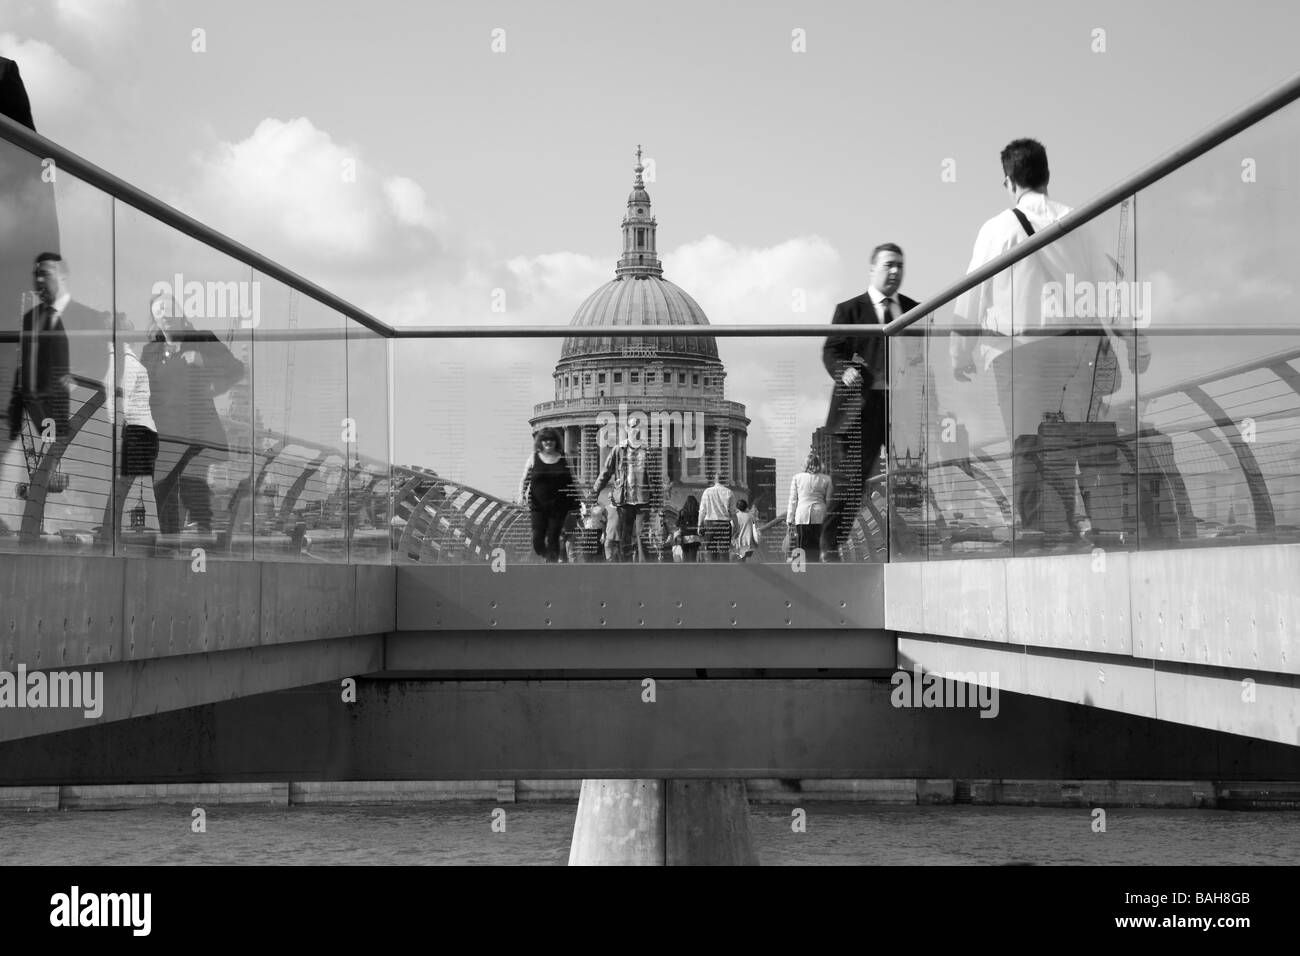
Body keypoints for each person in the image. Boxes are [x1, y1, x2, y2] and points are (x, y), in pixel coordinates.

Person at [950, 138, 1144, 541]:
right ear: (1047, 176)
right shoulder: (1079, 221)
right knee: (1078, 439)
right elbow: (1109, 287)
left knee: (1029, 442)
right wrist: (1133, 340)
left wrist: (960, 352)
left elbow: (971, 295)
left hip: (1019, 352)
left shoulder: (997, 229)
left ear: (1009, 181)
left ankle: (1042, 532)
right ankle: (1099, 528)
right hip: (1078, 348)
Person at [821, 243, 918, 561]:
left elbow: (923, 357)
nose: (894, 271)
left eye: (900, 266)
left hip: (900, 409)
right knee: (851, 481)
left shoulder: (915, 310)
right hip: (859, 411)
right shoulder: (849, 310)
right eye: (888, 265)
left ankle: (909, 544)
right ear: (872, 269)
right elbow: (831, 350)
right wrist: (844, 370)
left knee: (909, 476)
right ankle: (830, 546)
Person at [141, 293, 244, 535]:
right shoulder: (151, 351)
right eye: (159, 311)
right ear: (155, 319)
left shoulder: (202, 340)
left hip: (195, 433)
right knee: (161, 491)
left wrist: (203, 361)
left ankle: (204, 543)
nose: (165, 314)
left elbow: (236, 368)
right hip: (164, 435)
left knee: (192, 486)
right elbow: (143, 389)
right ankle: (169, 544)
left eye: (169, 308)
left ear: (180, 314)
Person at [7, 253, 104, 445]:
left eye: (45, 273)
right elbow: (25, 368)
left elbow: (101, 364)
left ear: (63, 274)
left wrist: (77, 380)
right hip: (35, 421)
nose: (39, 279)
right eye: (36, 274)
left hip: (74, 422)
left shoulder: (89, 318)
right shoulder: (30, 318)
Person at [100, 311, 158, 540]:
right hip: (140, 432)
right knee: (121, 490)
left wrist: (113, 426)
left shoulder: (124, 362)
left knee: (120, 490)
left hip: (137, 433)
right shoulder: (124, 361)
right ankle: (109, 534)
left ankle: (109, 536)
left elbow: (120, 399)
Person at [517, 426, 576, 562]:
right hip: (538, 504)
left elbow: (573, 479)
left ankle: (552, 566)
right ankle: (548, 555)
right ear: (540, 442)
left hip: (559, 504)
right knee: (537, 539)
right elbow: (525, 478)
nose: (548, 442)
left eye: (551, 439)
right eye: (545, 439)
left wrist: (581, 499)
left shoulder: (565, 457)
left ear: (556, 441)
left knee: (554, 536)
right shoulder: (533, 458)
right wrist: (521, 494)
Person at [593, 432, 651, 561]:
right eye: (633, 426)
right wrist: (595, 491)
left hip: (644, 498)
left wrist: (658, 499)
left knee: (641, 535)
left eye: (638, 427)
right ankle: (628, 567)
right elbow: (606, 471)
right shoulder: (618, 449)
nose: (636, 430)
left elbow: (655, 476)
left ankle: (645, 567)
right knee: (626, 535)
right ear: (628, 429)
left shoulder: (648, 449)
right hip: (625, 499)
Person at [787, 450, 832, 563]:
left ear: (805, 464)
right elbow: (829, 501)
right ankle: (815, 574)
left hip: (802, 515)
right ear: (819, 464)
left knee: (801, 546)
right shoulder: (826, 479)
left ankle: (801, 573)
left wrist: (789, 519)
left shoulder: (797, 478)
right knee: (817, 547)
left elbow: (793, 500)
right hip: (820, 515)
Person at [699, 473, 737, 562]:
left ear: (714, 480)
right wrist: (736, 526)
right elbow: (733, 513)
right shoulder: (729, 492)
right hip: (724, 525)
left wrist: (699, 525)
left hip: (710, 524)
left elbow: (702, 511)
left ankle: (712, 572)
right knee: (724, 551)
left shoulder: (707, 491)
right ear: (724, 480)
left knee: (711, 551)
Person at [676, 494, 701, 563]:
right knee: (693, 559)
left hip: (684, 539)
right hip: (695, 538)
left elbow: (677, 524)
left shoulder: (682, 512)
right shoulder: (697, 513)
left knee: (685, 558)